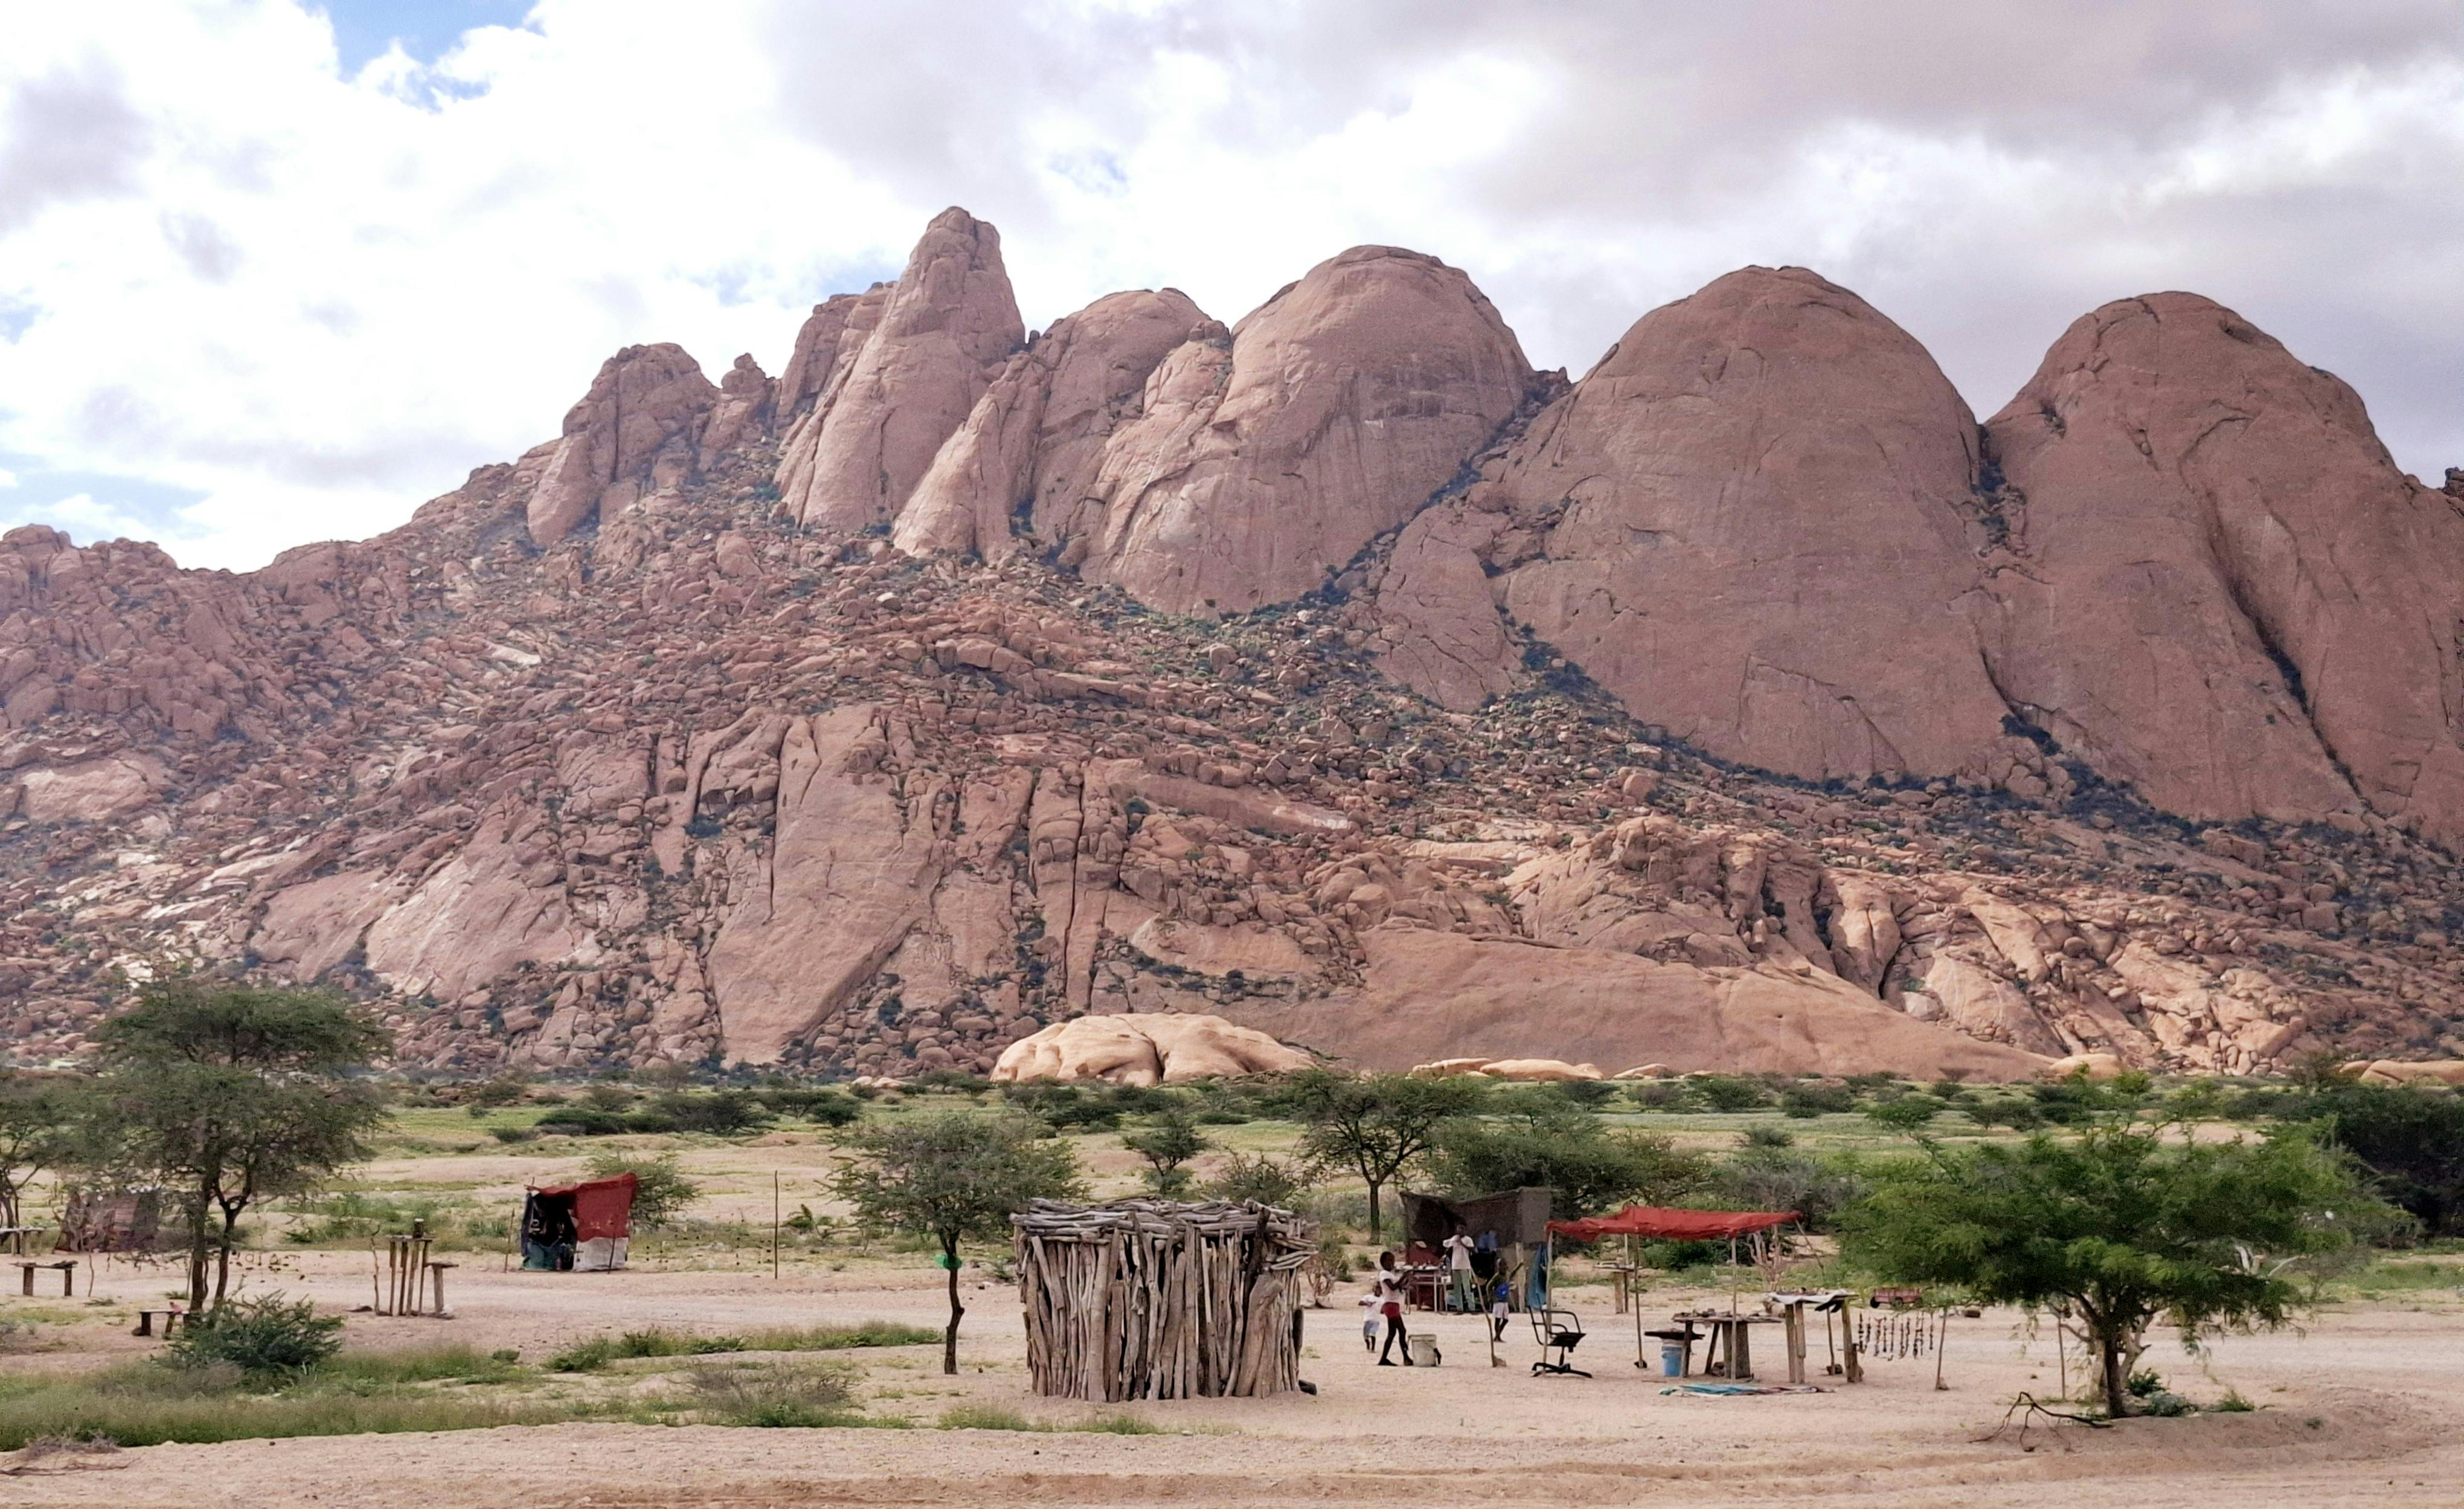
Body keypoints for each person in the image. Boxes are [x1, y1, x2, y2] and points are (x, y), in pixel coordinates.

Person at [1374, 1250, 1413, 1366]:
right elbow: (1392, 1287)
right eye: (1389, 1261)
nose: (1392, 1263)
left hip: (1393, 1305)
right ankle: (1405, 1358)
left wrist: (1407, 1280)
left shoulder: (1390, 1275)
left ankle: (1386, 1359)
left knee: (1393, 1333)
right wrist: (1403, 1277)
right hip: (1390, 1305)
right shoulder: (1384, 1274)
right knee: (1401, 1331)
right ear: (1384, 1262)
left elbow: (1399, 1287)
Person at [1442, 1225, 1476, 1313]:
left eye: (1461, 1230)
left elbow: (1472, 1250)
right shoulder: (1455, 1239)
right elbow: (1446, 1244)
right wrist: (1453, 1242)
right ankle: (1459, 1308)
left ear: (1465, 1231)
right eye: (1458, 1230)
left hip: (1465, 1266)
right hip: (1455, 1266)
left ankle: (1472, 1308)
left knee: (1467, 1288)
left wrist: (1462, 1243)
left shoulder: (1468, 1240)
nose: (1460, 1232)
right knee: (1457, 1289)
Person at [1489, 1275, 1512, 1343]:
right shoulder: (1497, 1277)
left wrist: (1519, 1266)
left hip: (1505, 1300)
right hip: (1499, 1300)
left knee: (1506, 1319)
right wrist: (1491, 1296)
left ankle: (1498, 1335)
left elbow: (1512, 1274)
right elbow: (1489, 1286)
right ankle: (1497, 1336)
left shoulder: (1507, 1275)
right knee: (1498, 1319)